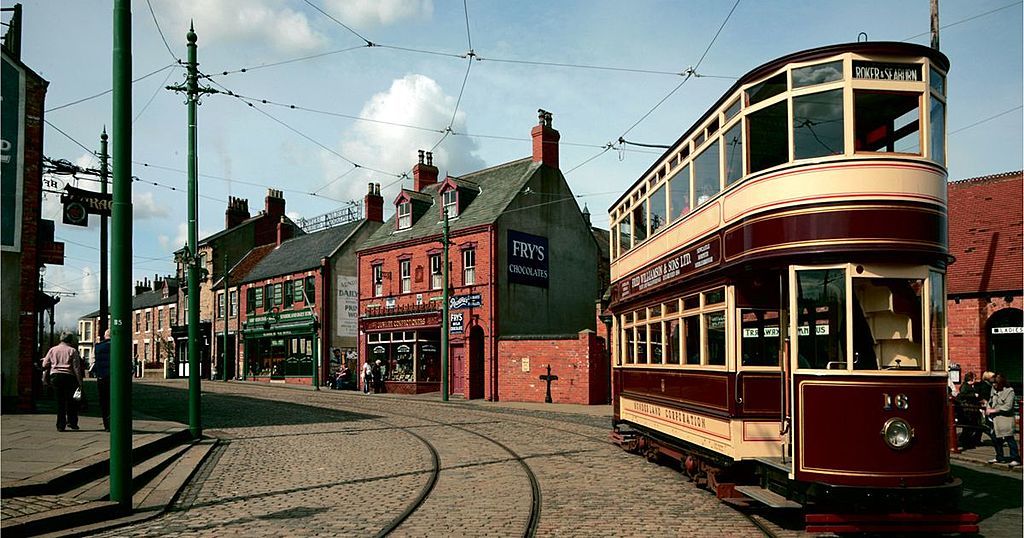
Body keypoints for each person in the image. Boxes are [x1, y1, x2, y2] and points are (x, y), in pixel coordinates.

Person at [42, 332, 83, 432]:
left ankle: (60, 425)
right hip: (69, 377)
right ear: (70, 340)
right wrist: (80, 382)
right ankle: (72, 422)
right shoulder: (72, 350)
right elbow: (76, 368)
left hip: (55, 377)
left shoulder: (53, 350)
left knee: (60, 402)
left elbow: (44, 364)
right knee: (71, 401)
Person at [985, 373, 1020, 466]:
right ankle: (999, 457)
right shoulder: (993, 390)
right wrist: (988, 408)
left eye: (995, 383)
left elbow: (1008, 406)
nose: (993, 385)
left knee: (1009, 438)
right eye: (992, 383)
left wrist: (994, 410)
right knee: (996, 439)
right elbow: (990, 400)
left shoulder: (1009, 391)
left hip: (1005, 419)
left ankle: (1015, 458)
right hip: (995, 420)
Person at [91, 329, 112, 431]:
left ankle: (106, 425)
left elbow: (93, 362)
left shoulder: (97, 347)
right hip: (114, 378)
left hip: (102, 377)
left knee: (104, 402)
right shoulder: (119, 345)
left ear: (105, 336)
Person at [955, 372, 982, 449]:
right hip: (968, 409)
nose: (975, 379)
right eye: (974, 378)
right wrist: (974, 395)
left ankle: (966, 441)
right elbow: (962, 395)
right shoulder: (965, 386)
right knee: (969, 426)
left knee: (971, 426)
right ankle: (964, 441)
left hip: (972, 408)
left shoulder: (970, 386)